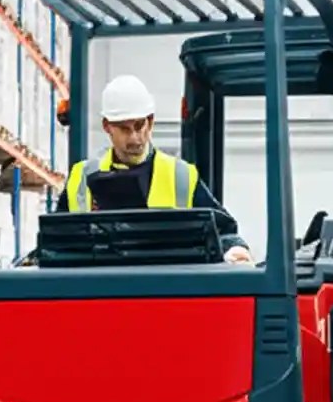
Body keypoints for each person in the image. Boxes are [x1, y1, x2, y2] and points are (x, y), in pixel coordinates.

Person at [56, 74, 254, 264]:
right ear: (107, 127)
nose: (134, 138)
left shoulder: (181, 176)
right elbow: (56, 239)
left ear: (150, 121)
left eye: (139, 125)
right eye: (124, 129)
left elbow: (224, 231)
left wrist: (235, 247)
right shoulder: (81, 177)